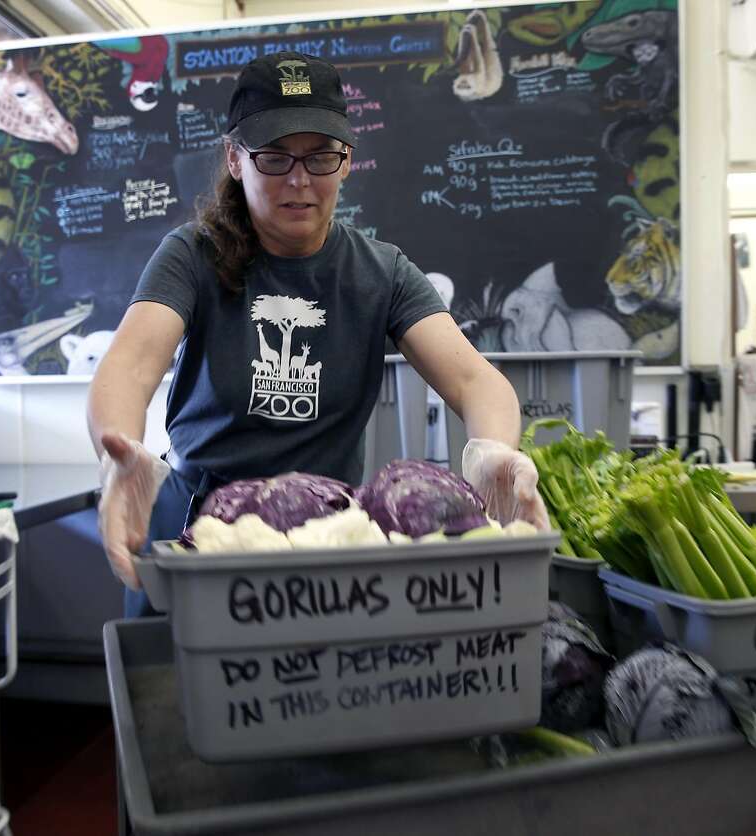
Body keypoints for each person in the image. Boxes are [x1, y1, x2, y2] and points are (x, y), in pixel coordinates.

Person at [87, 51, 551, 617]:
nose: (300, 180)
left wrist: (494, 454)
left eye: (321, 157)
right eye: (275, 158)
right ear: (236, 159)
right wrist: (120, 456)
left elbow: (474, 379)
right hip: (197, 534)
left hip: (325, 542)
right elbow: (130, 366)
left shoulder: (381, 272)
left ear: (347, 160)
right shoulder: (192, 255)